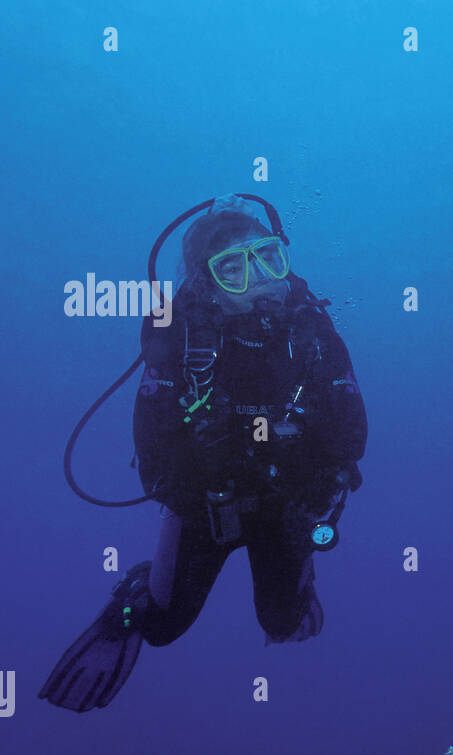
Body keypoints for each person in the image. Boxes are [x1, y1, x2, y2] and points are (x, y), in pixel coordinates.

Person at [41, 195, 367, 712]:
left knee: (281, 624)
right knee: (163, 628)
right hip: (207, 506)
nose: (257, 277)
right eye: (232, 269)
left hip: (286, 504)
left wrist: (300, 472)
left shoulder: (315, 335)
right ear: (208, 285)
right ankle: (132, 595)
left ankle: (297, 582)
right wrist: (212, 468)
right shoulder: (181, 339)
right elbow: (153, 461)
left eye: (267, 257)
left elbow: (352, 440)